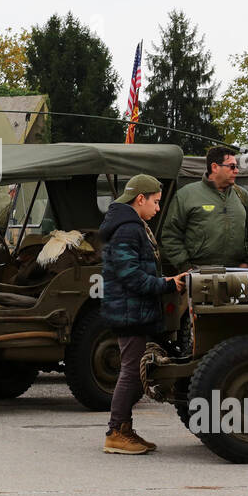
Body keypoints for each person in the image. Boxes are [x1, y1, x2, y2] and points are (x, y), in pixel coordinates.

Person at [98, 174, 189, 455]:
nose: (158, 208)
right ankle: (116, 432)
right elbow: (131, 276)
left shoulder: (132, 226)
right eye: (156, 202)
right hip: (130, 312)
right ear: (141, 199)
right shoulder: (128, 229)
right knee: (131, 373)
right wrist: (166, 284)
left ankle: (124, 429)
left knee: (134, 371)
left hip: (132, 310)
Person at [159, 145, 248, 271]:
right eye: (232, 166)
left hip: (237, 274)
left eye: (237, 166)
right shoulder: (186, 195)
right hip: (198, 274)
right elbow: (170, 235)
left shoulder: (243, 196)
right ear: (215, 167)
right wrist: (185, 267)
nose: (236, 171)